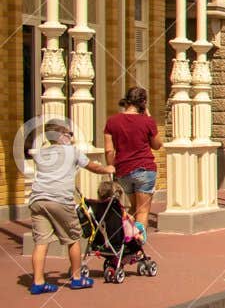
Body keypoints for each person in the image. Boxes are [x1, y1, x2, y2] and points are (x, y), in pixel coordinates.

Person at [27, 119, 114, 294]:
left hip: (37, 200)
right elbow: (92, 167)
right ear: (62, 135)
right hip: (60, 200)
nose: (71, 137)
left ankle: (38, 282)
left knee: (41, 241)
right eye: (69, 134)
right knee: (73, 238)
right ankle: (76, 277)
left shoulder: (41, 154)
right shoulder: (72, 152)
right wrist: (108, 169)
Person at [103, 85, 163, 229]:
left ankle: (122, 238)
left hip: (123, 170)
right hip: (144, 169)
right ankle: (136, 247)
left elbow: (109, 151)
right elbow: (157, 145)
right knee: (142, 211)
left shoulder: (112, 121)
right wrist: (148, 118)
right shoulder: (147, 121)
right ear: (143, 103)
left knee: (133, 208)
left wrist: (112, 167)